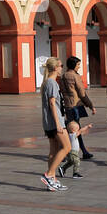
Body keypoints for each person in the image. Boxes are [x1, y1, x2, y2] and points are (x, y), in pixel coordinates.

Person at [39, 57, 68, 191]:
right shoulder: (51, 83)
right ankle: (49, 175)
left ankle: (53, 180)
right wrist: (58, 123)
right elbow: (52, 103)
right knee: (67, 147)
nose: (62, 68)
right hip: (55, 122)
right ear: (56, 68)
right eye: (61, 66)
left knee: (54, 150)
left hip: (48, 122)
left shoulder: (47, 82)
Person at [60, 56, 95, 159]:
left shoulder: (63, 76)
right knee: (75, 129)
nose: (79, 66)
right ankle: (74, 152)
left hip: (67, 105)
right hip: (75, 105)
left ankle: (81, 150)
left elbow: (62, 91)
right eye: (78, 64)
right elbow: (81, 92)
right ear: (73, 65)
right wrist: (91, 105)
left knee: (72, 129)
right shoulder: (75, 76)